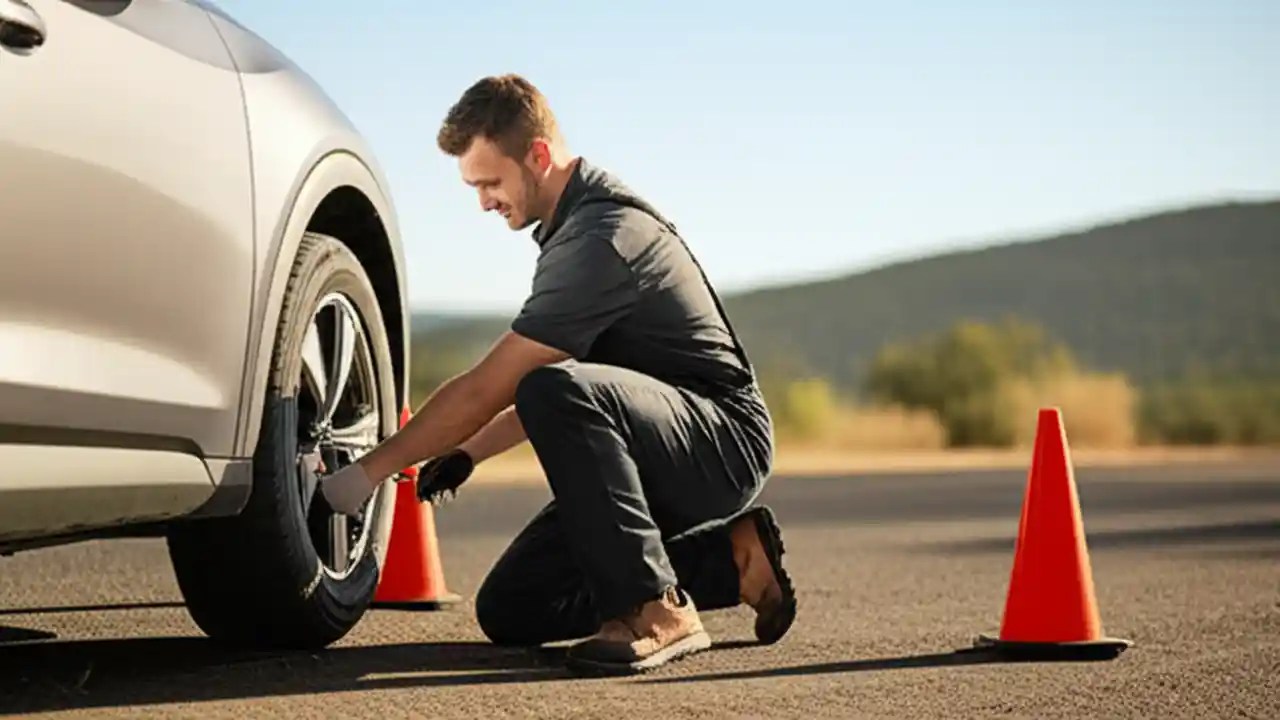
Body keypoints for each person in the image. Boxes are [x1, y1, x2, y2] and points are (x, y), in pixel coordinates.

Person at [319, 73, 795, 675]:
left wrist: (365, 474)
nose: (484, 201)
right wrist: (468, 453)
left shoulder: (601, 238)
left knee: (550, 389)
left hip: (722, 440)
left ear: (538, 156)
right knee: (514, 608)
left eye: (491, 182)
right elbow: (572, 386)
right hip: (657, 441)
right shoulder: (570, 229)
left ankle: (656, 612)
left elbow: (495, 386)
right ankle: (734, 558)